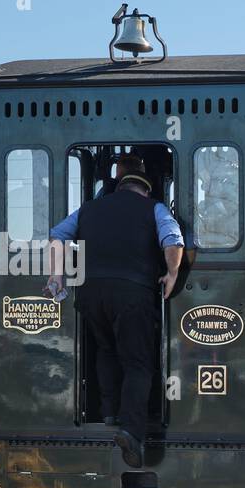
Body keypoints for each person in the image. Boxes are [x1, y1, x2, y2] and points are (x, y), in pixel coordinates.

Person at [47, 154, 184, 468]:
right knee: (138, 363)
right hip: (132, 293)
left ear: (119, 187)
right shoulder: (155, 209)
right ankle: (131, 432)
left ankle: (109, 410)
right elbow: (173, 240)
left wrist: (56, 275)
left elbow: (57, 236)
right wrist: (173, 273)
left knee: (106, 350)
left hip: (91, 294)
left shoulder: (90, 209)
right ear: (146, 191)